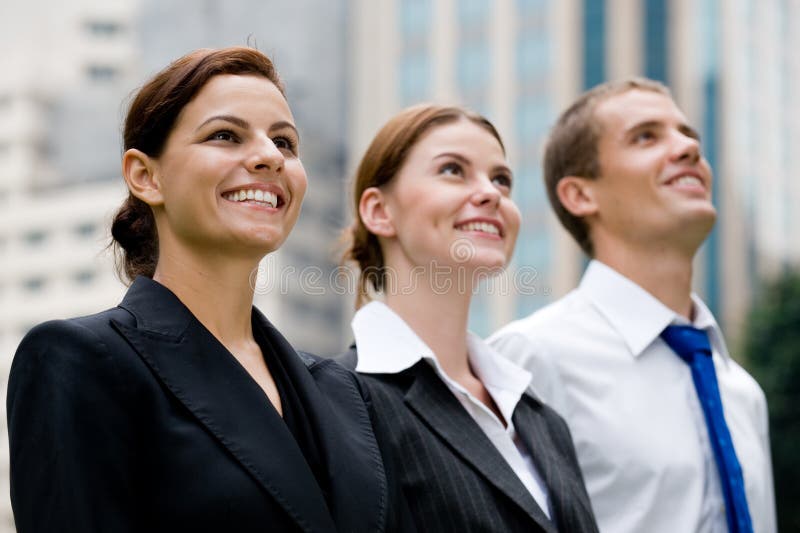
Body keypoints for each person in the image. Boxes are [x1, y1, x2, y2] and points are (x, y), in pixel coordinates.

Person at [7, 47, 413, 533]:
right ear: (146, 176)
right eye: (225, 135)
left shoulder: (344, 392)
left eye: (284, 142)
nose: (270, 156)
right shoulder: (80, 360)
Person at [490, 77, 776, 533]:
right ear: (580, 195)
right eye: (646, 136)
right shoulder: (529, 359)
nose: (688, 148)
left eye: (688, 135)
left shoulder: (742, 392)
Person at [338, 103, 599, 533]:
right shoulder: (338, 399)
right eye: (453, 170)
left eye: (501, 179)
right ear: (380, 211)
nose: (491, 193)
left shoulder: (541, 418)